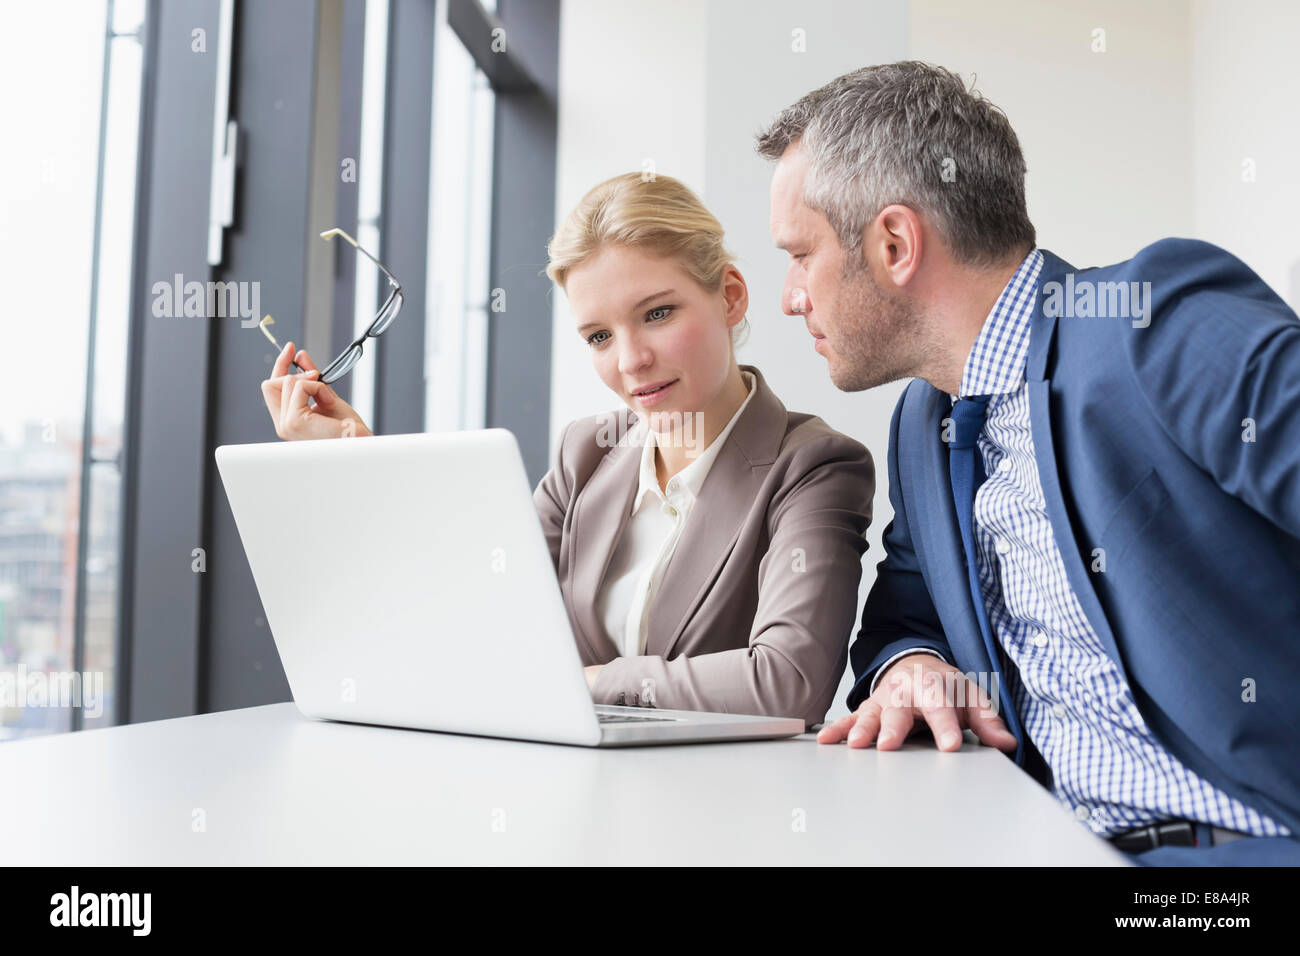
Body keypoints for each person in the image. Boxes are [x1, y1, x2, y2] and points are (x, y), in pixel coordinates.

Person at [754, 60, 1300, 864]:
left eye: (800, 255)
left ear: (896, 243)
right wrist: (914, 667)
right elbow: (904, 619)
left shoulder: (1151, 322)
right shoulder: (925, 422)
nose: (790, 295)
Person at [261, 171, 875, 727]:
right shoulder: (587, 455)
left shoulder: (813, 466)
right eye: (599, 336)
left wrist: (591, 684)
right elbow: (478, 623)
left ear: (731, 296)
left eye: (657, 313)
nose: (630, 361)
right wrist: (358, 460)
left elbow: (787, 683)